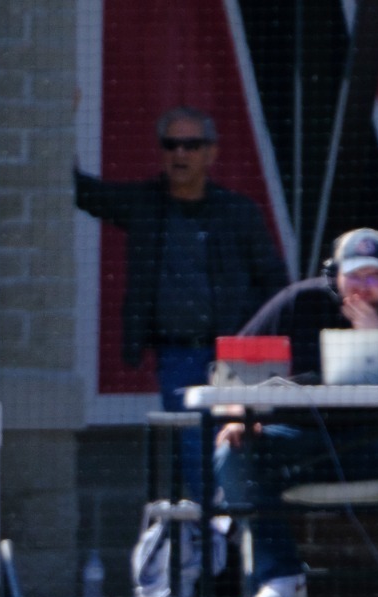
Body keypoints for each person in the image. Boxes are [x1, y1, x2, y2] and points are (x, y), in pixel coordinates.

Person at [217, 227, 378, 597]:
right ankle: (282, 576)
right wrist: (238, 416)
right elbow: (233, 369)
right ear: (335, 273)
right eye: (354, 275)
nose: (363, 287)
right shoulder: (298, 301)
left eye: (374, 276)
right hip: (303, 444)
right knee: (232, 455)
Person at [76, 107, 291, 498]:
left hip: (235, 358)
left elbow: (275, 284)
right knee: (194, 450)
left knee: (240, 445)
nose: (181, 154)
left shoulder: (238, 212)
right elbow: (83, 192)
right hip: (178, 356)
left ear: (211, 153)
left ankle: (240, 541)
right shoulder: (145, 205)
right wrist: (66, 115)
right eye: (171, 145)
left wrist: (255, 346)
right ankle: (213, 546)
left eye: (192, 145)